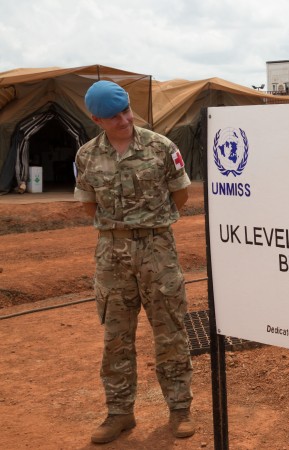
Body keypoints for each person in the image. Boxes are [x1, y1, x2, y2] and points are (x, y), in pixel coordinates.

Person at [74, 80, 195, 444]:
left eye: (126, 111)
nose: (124, 120)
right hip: (112, 254)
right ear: (98, 119)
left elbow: (181, 193)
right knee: (116, 337)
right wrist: (120, 230)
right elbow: (87, 202)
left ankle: (179, 409)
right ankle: (119, 413)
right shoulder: (86, 155)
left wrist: (150, 224)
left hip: (158, 249)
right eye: (114, 117)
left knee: (171, 331)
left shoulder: (161, 147)